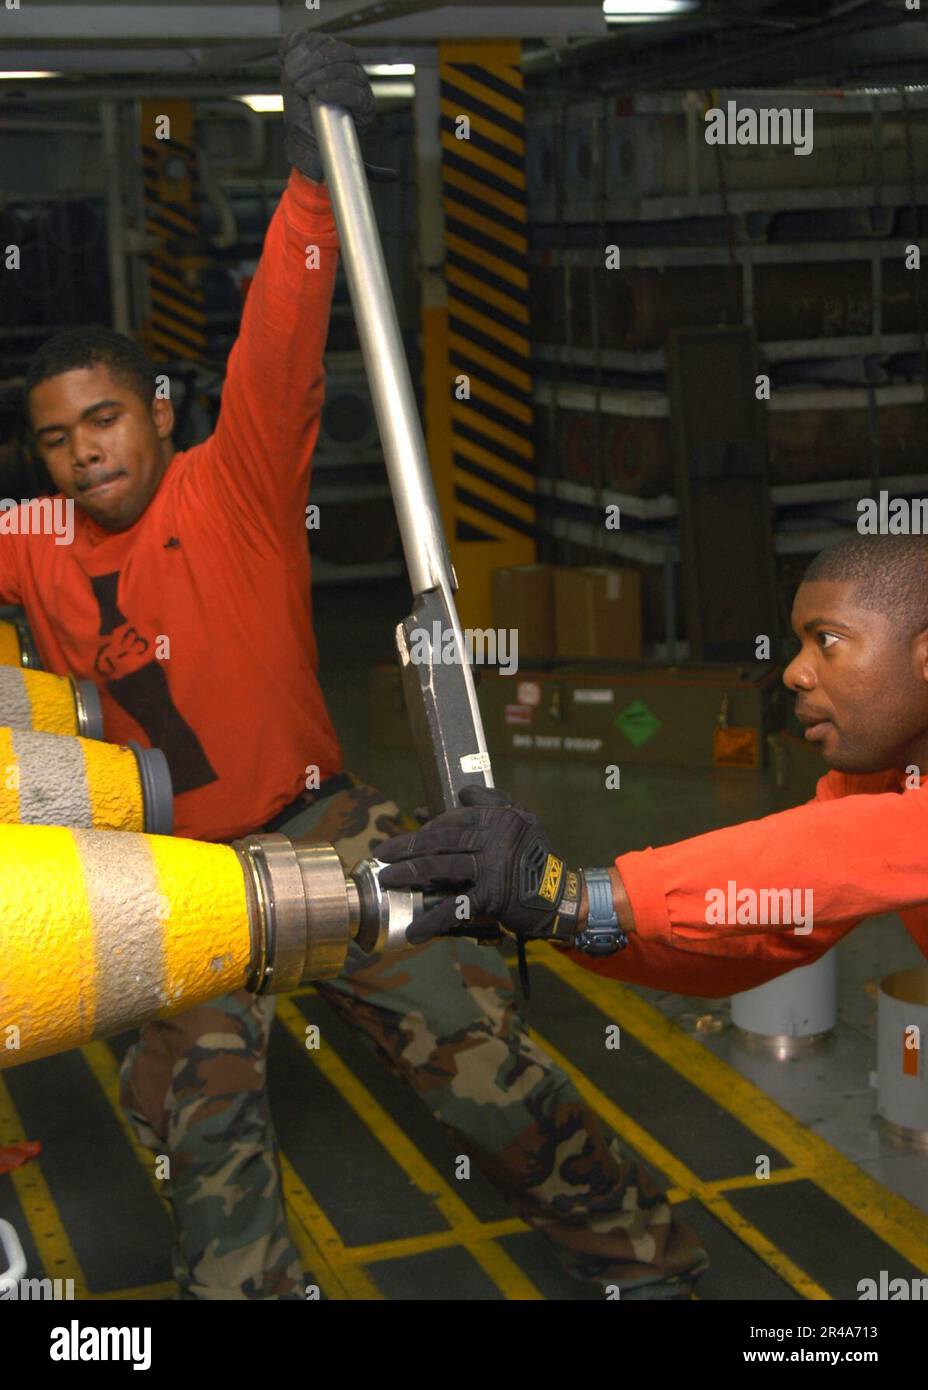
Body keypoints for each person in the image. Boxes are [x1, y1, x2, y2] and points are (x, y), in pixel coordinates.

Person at [0, 33, 706, 1299]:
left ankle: (646, 1263)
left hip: (324, 828)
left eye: (103, 420)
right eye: (54, 440)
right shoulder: (37, 541)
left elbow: (279, 333)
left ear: (157, 411)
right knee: (209, 1131)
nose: (81, 455)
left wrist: (313, 178)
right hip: (172, 873)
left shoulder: (234, 488)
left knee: (481, 1064)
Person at [378, 532, 928, 997]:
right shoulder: (878, 780)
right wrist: (562, 916)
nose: (793, 673)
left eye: (827, 640)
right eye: (798, 644)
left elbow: (852, 847)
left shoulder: (893, 819)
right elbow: (768, 932)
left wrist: (584, 893)